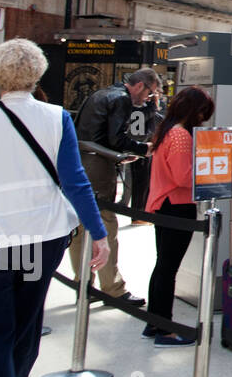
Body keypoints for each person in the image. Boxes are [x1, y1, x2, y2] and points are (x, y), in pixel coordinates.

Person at [0, 38, 109, 377]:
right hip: (41, 240)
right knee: (24, 330)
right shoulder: (57, 118)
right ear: (38, 74)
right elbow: (76, 182)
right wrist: (99, 232)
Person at [69, 67, 162, 306]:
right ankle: (113, 289)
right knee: (106, 225)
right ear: (141, 86)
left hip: (81, 164)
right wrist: (144, 150)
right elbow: (116, 139)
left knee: (80, 228)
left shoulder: (102, 94)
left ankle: (83, 285)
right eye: (150, 94)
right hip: (99, 169)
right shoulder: (121, 99)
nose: (147, 99)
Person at [143, 86, 216, 346]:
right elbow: (183, 177)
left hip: (163, 204)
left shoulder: (165, 130)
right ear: (194, 110)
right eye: (202, 112)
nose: (203, 118)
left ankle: (155, 322)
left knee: (162, 265)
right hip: (177, 205)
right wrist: (212, 172)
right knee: (168, 268)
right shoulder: (181, 136)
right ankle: (165, 330)